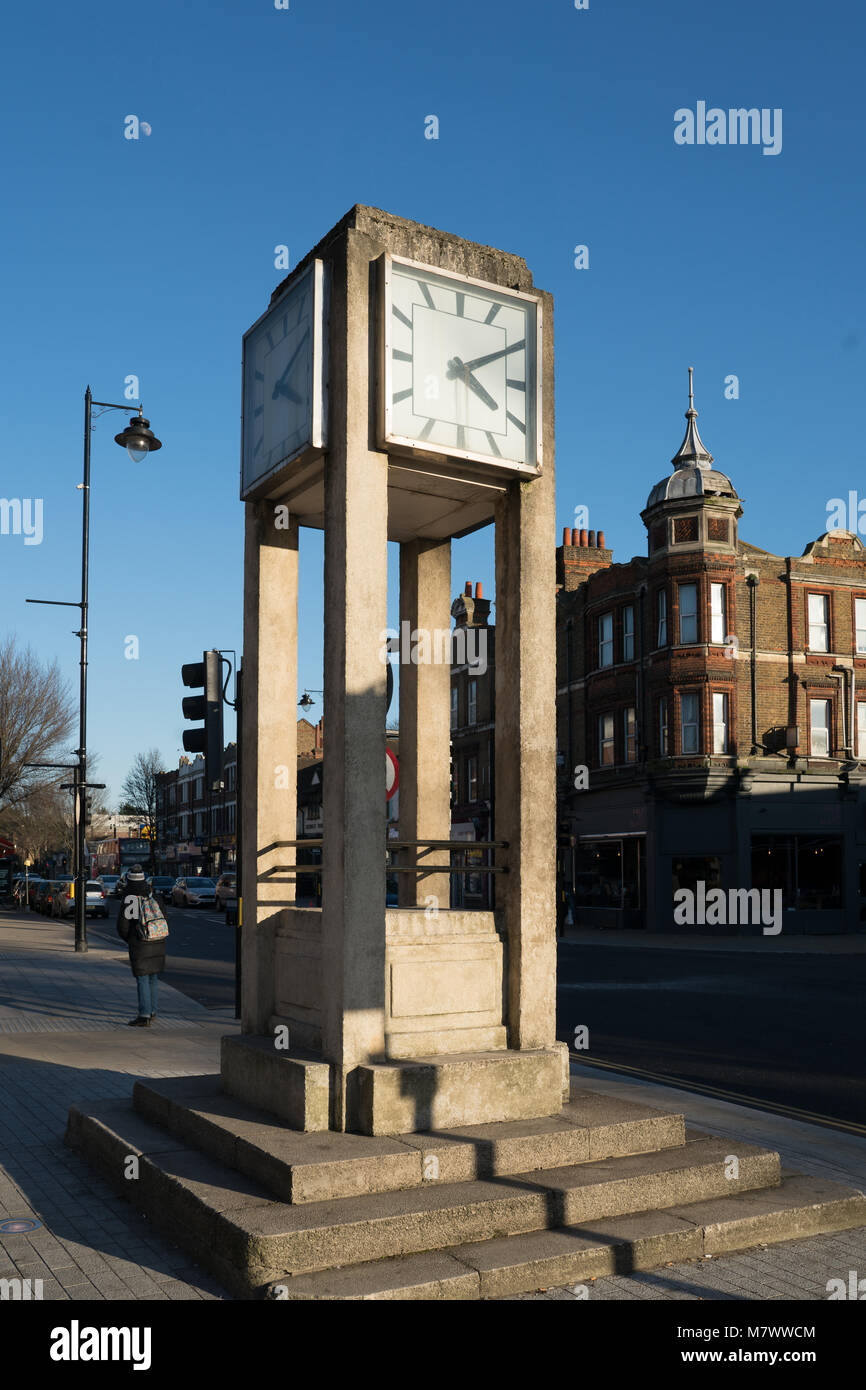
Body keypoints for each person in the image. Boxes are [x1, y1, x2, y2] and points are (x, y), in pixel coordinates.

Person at [116, 864, 165, 1027]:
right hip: (157, 940)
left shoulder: (131, 899)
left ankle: (144, 1015)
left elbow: (123, 926)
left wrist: (130, 939)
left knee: (142, 978)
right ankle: (152, 1011)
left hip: (140, 942)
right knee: (153, 977)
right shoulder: (154, 895)